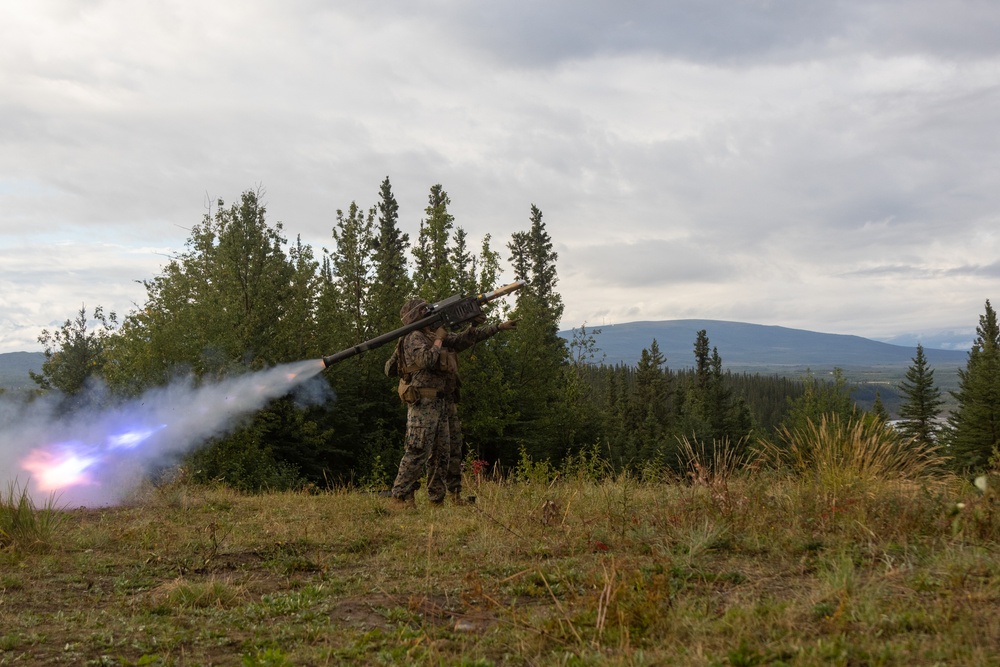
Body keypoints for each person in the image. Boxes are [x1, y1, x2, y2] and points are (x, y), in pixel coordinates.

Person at [385, 297, 516, 508]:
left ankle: (438, 497)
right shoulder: (413, 337)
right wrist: (438, 339)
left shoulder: (432, 335)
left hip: (443, 401)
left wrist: (496, 327)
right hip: (423, 403)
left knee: (444, 453)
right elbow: (426, 361)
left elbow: (462, 340)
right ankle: (400, 496)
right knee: (417, 450)